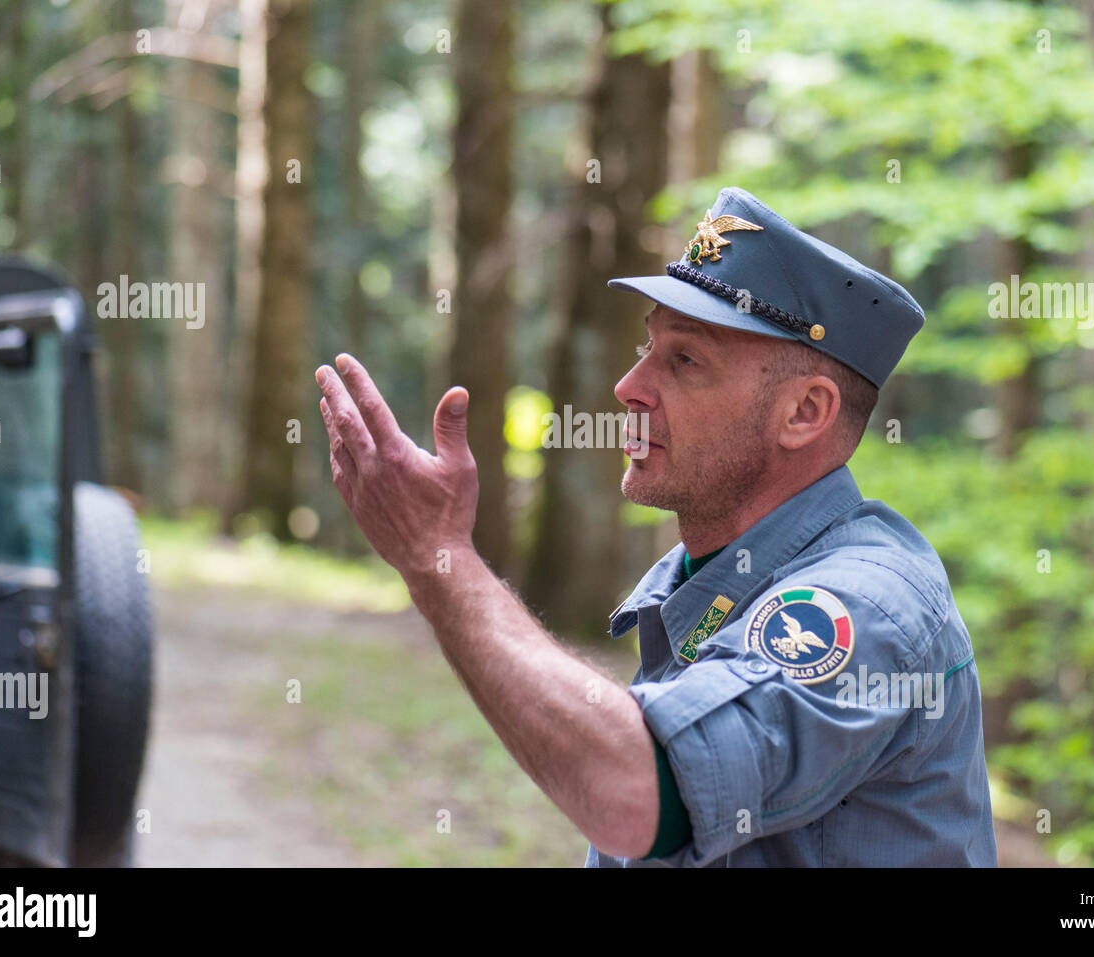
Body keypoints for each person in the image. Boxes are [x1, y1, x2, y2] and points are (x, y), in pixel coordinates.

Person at [315, 185, 997, 867]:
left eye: (685, 360)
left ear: (804, 414)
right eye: (648, 345)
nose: (629, 386)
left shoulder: (864, 606)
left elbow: (638, 790)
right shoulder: (710, 579)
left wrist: (439, 557)